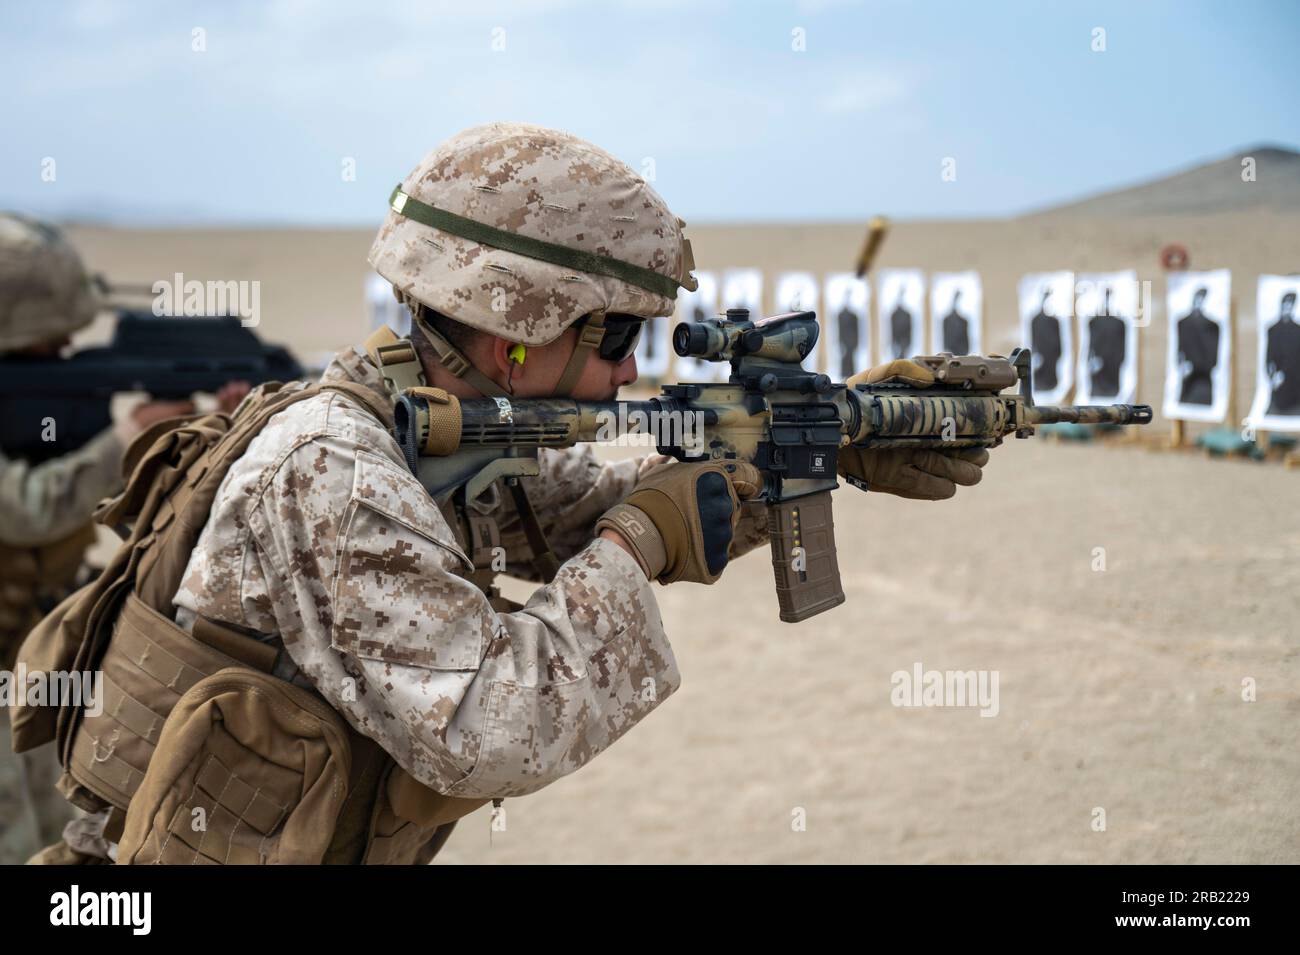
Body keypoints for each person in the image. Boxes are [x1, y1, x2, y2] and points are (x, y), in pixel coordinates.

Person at [21, 124, 989, 864]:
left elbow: (580, 494)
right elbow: (491, 726)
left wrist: (822, 447)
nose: (625, 374)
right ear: (515, 331)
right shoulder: (334, 469)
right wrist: (636, 545)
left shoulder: (416, 412)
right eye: (613, 339)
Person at [0, 213, 241, 864]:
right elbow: (26, 509)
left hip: (36, 659)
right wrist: (124, 438)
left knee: (58, 829)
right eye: (41, 348)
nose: (61, 355)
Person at [1175, 287, 1220, 407]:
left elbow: (1214, 353)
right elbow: (1179, 347)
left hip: (1203, 376)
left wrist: (1198, 366)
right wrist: (1182, 363)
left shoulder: (1212, 325)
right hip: (1187, 374)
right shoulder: (1182, 322)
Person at [1087, 286, 1126, 399]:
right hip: (1099, 368)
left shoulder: (1119, 323)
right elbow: (1091, 344)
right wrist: (1092, 360)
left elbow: (1121, 349)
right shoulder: (1094, 322)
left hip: (1112, 368)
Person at [1265, 291, 1300, 416]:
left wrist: (1283, 374)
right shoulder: (1273, 329)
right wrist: (1272, 375)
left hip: (1294, 386)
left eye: (1290, 306)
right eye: (1285, 305)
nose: (1287, 308)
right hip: (1277, 387)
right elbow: (1269, 356)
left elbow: (1295, 358)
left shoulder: (1297, 330)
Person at [1029, 287, 1063, 394]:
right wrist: (1035, 354)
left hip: (1051, 358)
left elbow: (1059, 344)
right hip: (1042, 358)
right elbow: (1033, 341)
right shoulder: (1035, 320)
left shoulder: (1054, 321)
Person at [940, 289, 970, 356]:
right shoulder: (946, 320)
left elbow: (966, 340)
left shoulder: (964, 321)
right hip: (950, 352)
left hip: (962, 353)